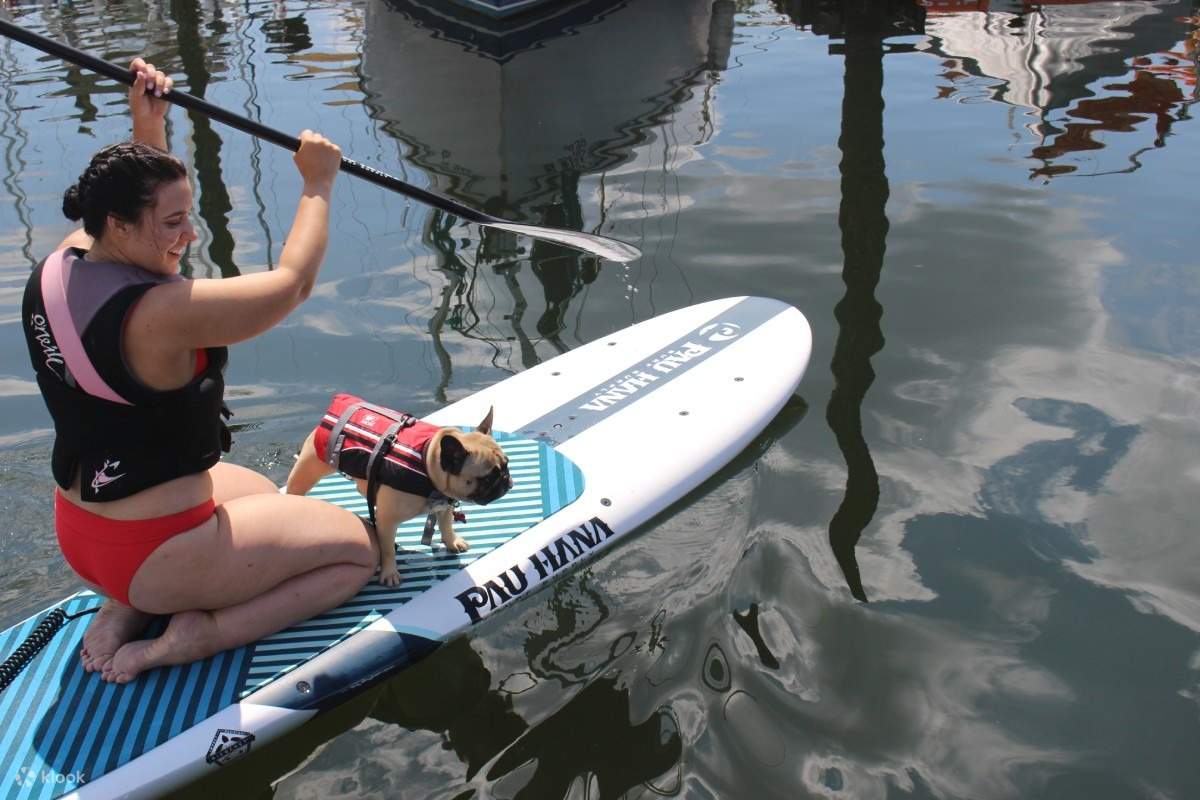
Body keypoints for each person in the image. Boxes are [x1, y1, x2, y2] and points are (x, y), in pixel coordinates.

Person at [21, 58, 379, 684]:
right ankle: (193, 635)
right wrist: (318, 185)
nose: (190, 234)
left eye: (188, 215)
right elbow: (291, 286)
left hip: (84, 527)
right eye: (173, 222)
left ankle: (124, 609)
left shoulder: (63, 263)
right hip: (152, 550)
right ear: (119, 223)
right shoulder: (160, 314)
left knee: (268, 499)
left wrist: (146, 126)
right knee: (356, 551)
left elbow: (142, 237)